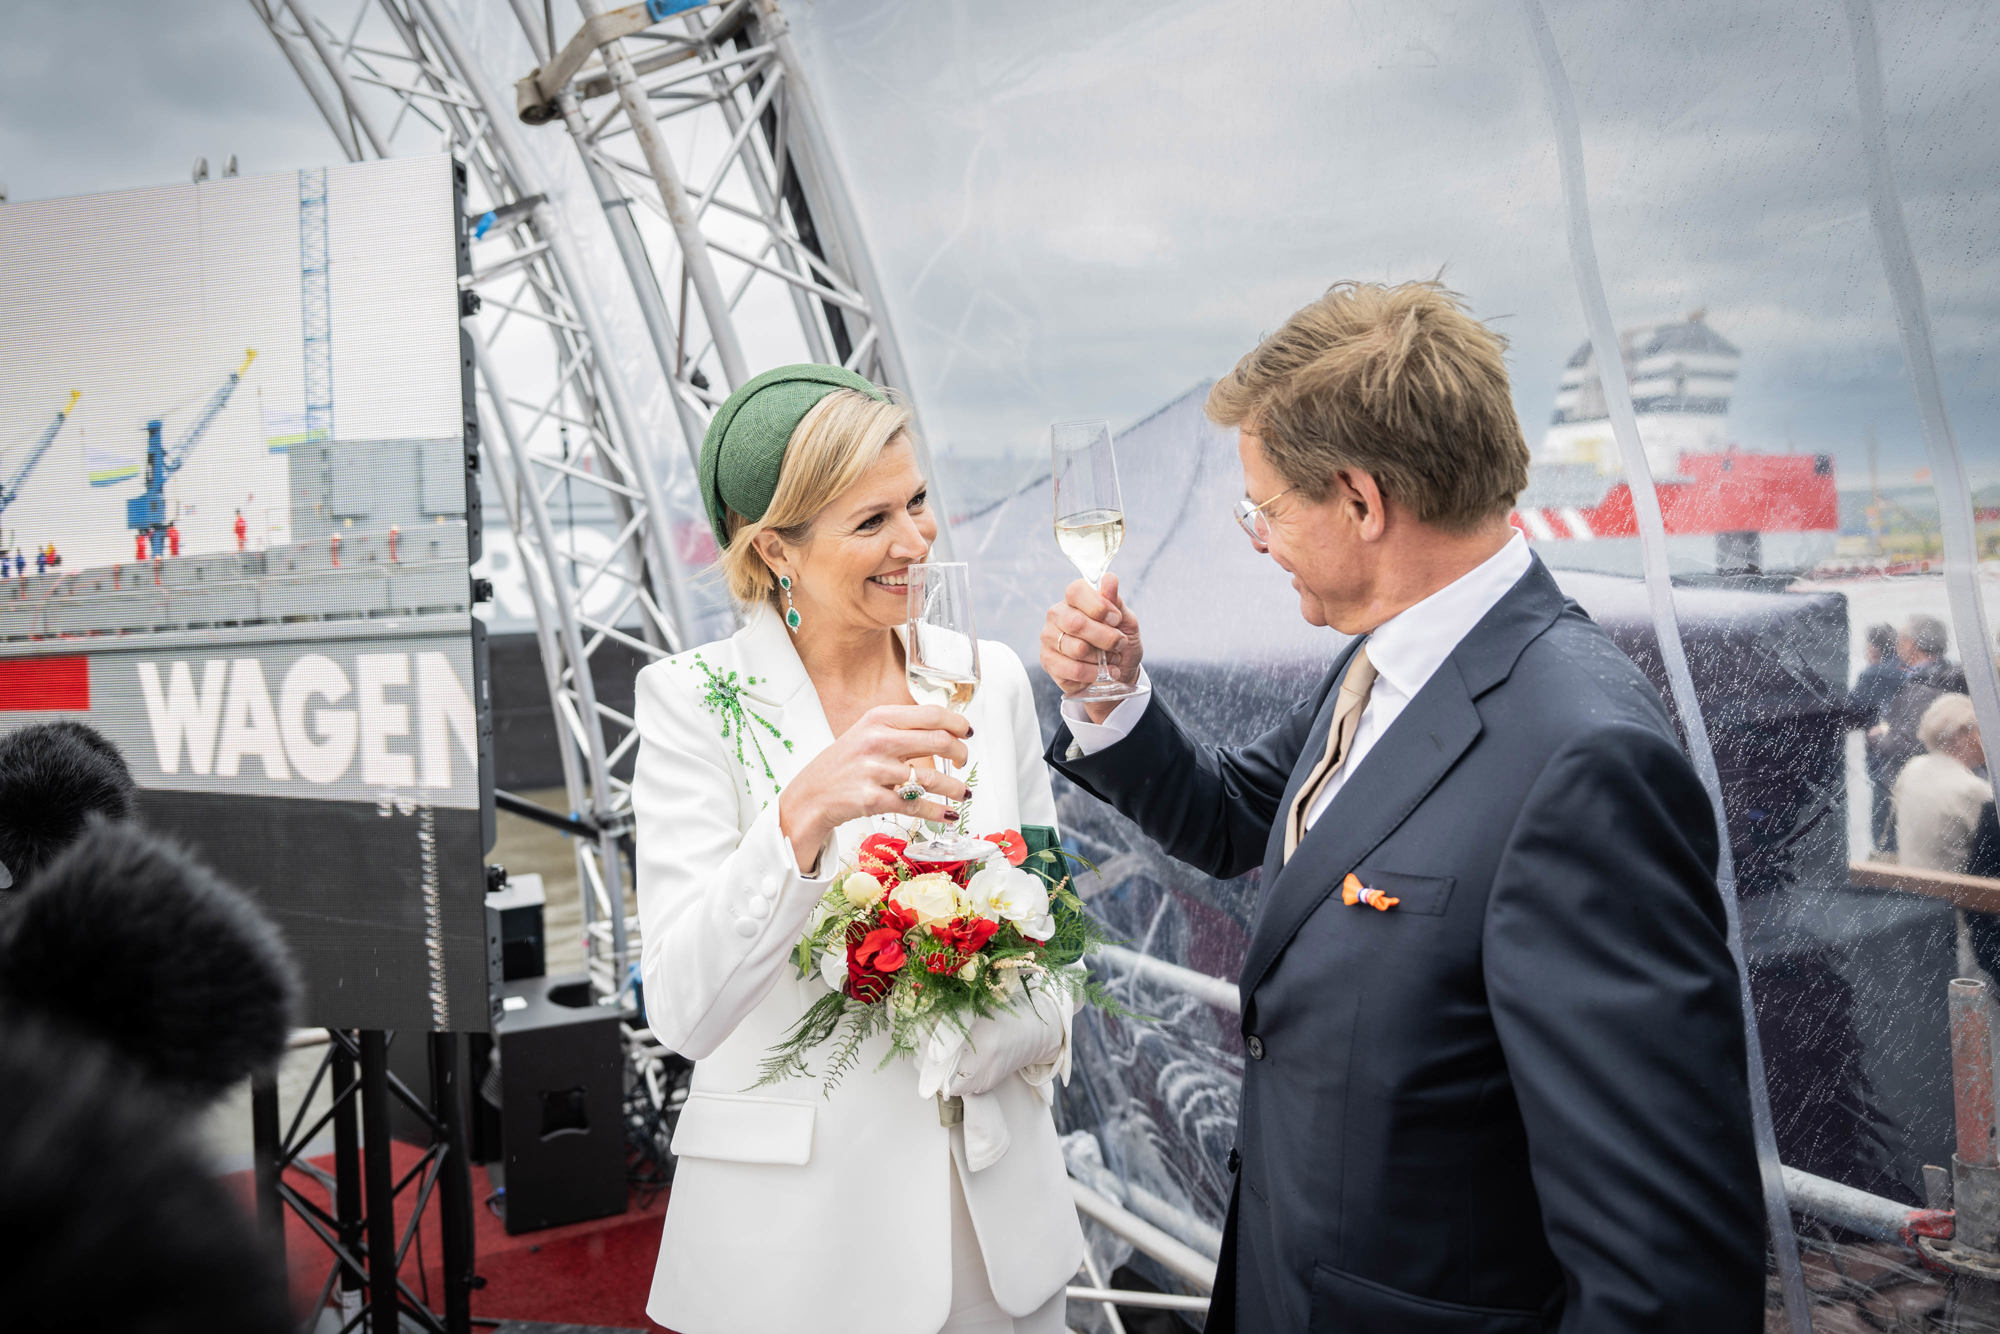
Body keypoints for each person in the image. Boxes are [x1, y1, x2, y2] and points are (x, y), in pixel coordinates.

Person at [1041, 281, 1763, 1332]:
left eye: (1264, 509)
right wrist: (1110, 703)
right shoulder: (1388, 659)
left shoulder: (1585, 763)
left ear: (1361, 501)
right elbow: (1240, 816)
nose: (1257, 539)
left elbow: (1663, 1270)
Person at [631, 365, 1083, 1334]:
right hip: (799, 1260)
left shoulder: (988, 678)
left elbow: (1060, 928)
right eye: (872, 520)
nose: (916, 541)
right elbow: (681, 1008)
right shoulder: (689, 703)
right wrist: (799, 817)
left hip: (999, 1237)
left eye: (915, 501)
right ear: (774, 549)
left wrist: (1010, 1033)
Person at [1868, 614, 1969, 851]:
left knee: (1896, 855)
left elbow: (1909, 744)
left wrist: (1877, 737)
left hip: (1907, 792)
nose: (1898, 645)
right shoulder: (1950, 675)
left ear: (1912, 644)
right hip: (1939, 787)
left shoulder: (1923, 685)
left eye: (1902, 639)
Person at [1894, 694, 1990, 875]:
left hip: (1909, 885)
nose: (1985, 739)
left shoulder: (1913, 768)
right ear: (1961, 735)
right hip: (1956, 890)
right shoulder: (1974, 790)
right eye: (1979, 731)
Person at [1854, 622, 1908, 850]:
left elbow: (1851, 713)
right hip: (1908, 760)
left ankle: (1885, 863)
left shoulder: (1872, 674)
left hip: (1882, 762)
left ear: (1873, 648)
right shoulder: (1908, 670)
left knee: (1884, 829)